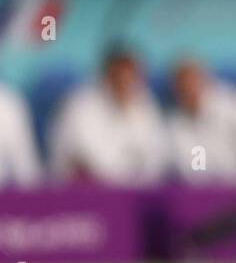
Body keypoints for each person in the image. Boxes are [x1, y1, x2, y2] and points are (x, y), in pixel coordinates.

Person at [49, 45, 169, 184]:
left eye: (132, 75)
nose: (126, 81)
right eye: (120, 74)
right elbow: (87, 160)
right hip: (85, 193)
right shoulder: (80, 104)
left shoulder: (146, 103)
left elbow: (157, 155)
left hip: (135, 192)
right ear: (108, 74)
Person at [166, 60, 236, 185]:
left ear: (204, 80)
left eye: (192, 82)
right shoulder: (177, 124)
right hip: (208, 191)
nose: (189, 90)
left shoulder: (234, 104)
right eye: (183, 87)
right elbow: (195, 169)